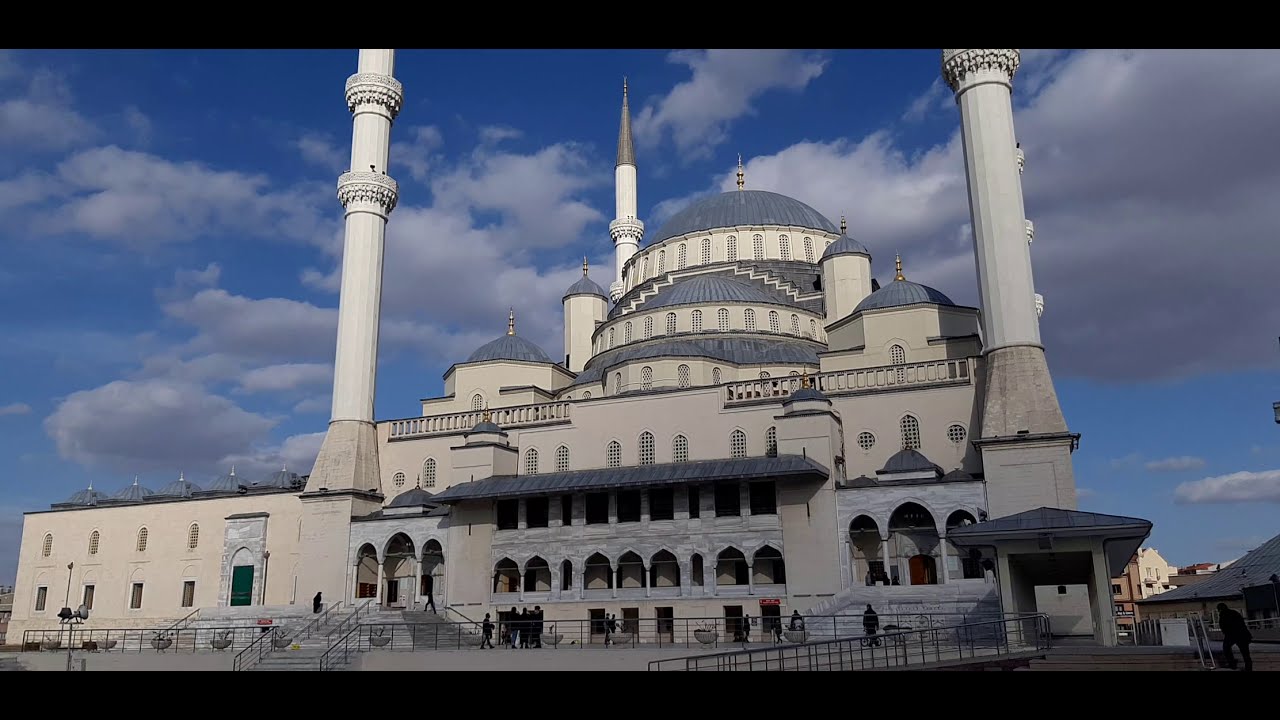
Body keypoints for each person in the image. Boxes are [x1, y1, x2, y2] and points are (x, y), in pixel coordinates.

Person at [1216, 603, 1253, 671]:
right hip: (1242, 634)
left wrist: (1227, 633)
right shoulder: (1234, 613)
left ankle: (1232, 664)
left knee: (1226, 648)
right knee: (1245, 653)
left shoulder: (1223, 615)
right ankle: (1248, 668)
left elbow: (1224, 626)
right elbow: (1241, 623)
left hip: (1232, 635)